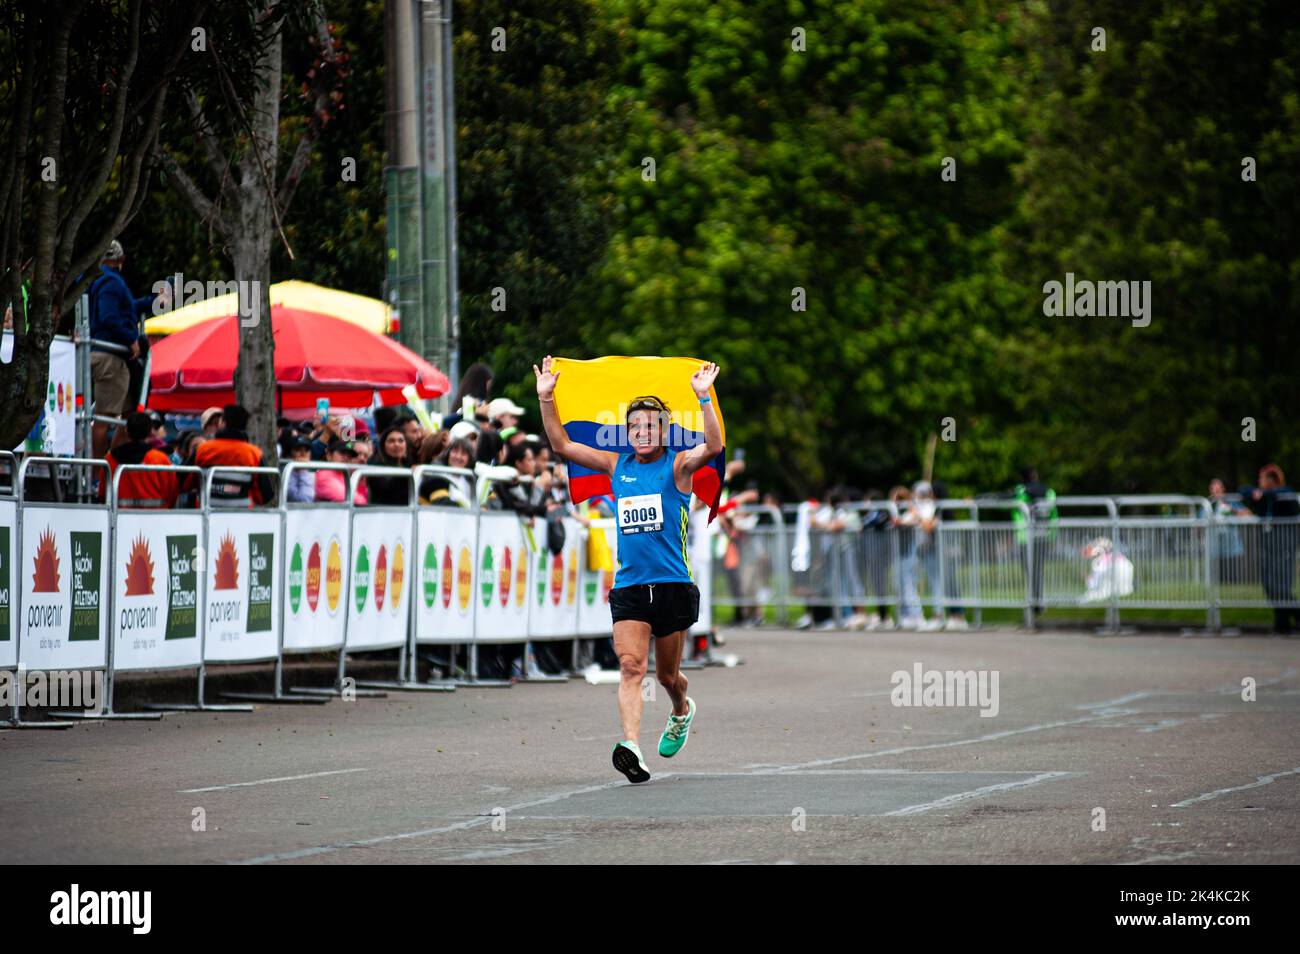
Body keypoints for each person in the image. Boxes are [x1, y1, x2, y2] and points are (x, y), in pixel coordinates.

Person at [534, 354, 721, 784]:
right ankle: (632, 746)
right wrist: (547, 399)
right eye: (635, 426)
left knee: (667, 675)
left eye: (650, 426)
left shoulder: (677, 465)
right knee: (631, 666)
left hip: (672, 585)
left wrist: (704, 397)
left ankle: (681, 709)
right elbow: (562, 445)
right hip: (631, 587)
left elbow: (712, 446)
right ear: (627, 431)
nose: (641, 433)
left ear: (664, 430)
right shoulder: (616, 465)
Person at [88, 240, 155, 457]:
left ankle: (109, 464)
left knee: (126, 418)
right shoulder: (111, 282)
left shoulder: (101, 280)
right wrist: (130, 339)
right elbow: (109, 316)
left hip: (113, 357)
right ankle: (98, 472)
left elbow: (125, 308)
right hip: (111, 357)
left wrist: (151, 302)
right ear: (122, 260)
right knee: (105, 418)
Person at [1240, 464, 1299, 634]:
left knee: (1281, 585)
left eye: (1262, 479)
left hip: (1284, 546)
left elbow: (1282, 494)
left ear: (1271, 480)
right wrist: (1256, 494)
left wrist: (1263, 494)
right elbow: (1243, 490)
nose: (1259, 482)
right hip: (1269, 546)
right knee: (1269, 584)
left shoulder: (1284, 495)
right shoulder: (1264, 498)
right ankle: (1286, 622)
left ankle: (1283, 624)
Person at [193, 404, 274, 506]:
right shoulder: (254, 454)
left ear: (223, 423)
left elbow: (185, 482)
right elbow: (265, 496)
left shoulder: (202, 449)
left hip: (205, 516)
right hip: (241, 517)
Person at [104, 412, 178, 508]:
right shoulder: (160, 459)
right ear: (149, 432)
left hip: (118, 518)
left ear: (126, 431)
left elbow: (103, 493)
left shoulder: (110, 459)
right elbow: (172, 491)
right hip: (156, 517)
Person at [284, 436, 316, 502]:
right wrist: (303, 470)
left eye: (306, 450)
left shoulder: (316, 471)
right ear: (291, 453)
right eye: (298, 449)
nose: (303, 453)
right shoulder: (286, 473)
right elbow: (304, 500)